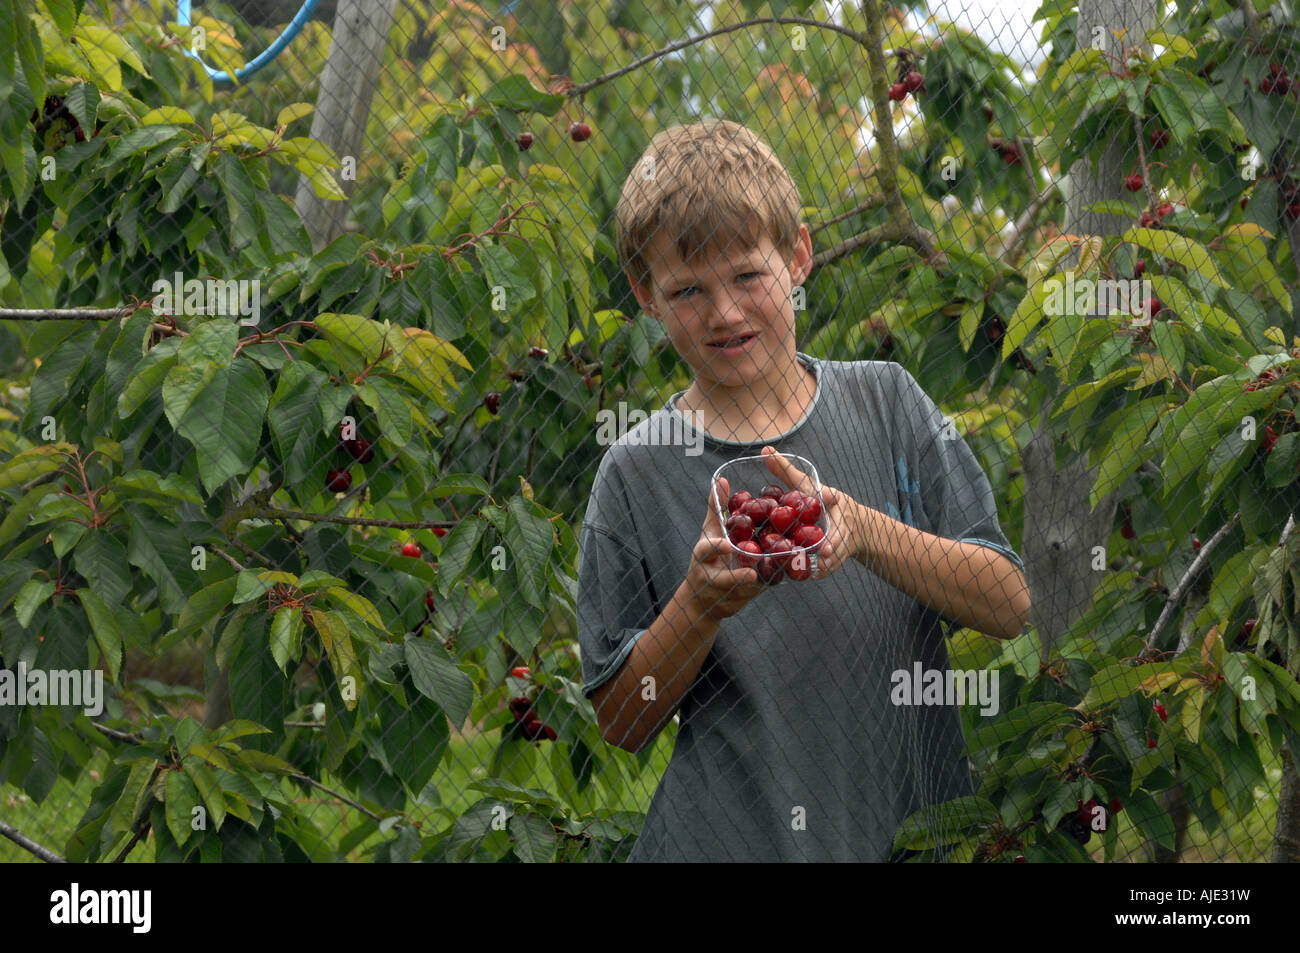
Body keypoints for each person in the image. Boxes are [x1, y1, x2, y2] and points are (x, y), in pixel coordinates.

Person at [576, 118, 1031, 861]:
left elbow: (1008, 602)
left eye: (749, 276)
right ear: (645, 295)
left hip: (905, 835)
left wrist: (861, 530)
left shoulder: (886, 404)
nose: (724, 313)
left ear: (798, 257)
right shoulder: (635, 472)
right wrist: (697, 606)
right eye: (688, 289)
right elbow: (624, 722)